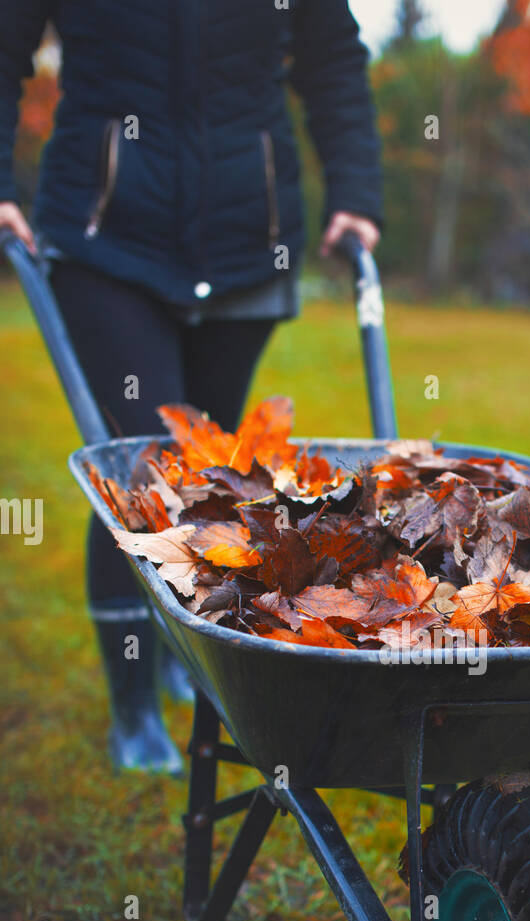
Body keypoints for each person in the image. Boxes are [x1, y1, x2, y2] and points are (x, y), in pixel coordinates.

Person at [0, 1, 383, 771]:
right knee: (143, 467)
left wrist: (356, 194)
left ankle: (186, 651)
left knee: (209, 474)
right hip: (105, 236)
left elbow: (332, 59)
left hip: (250, 241)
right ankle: (134, 705)